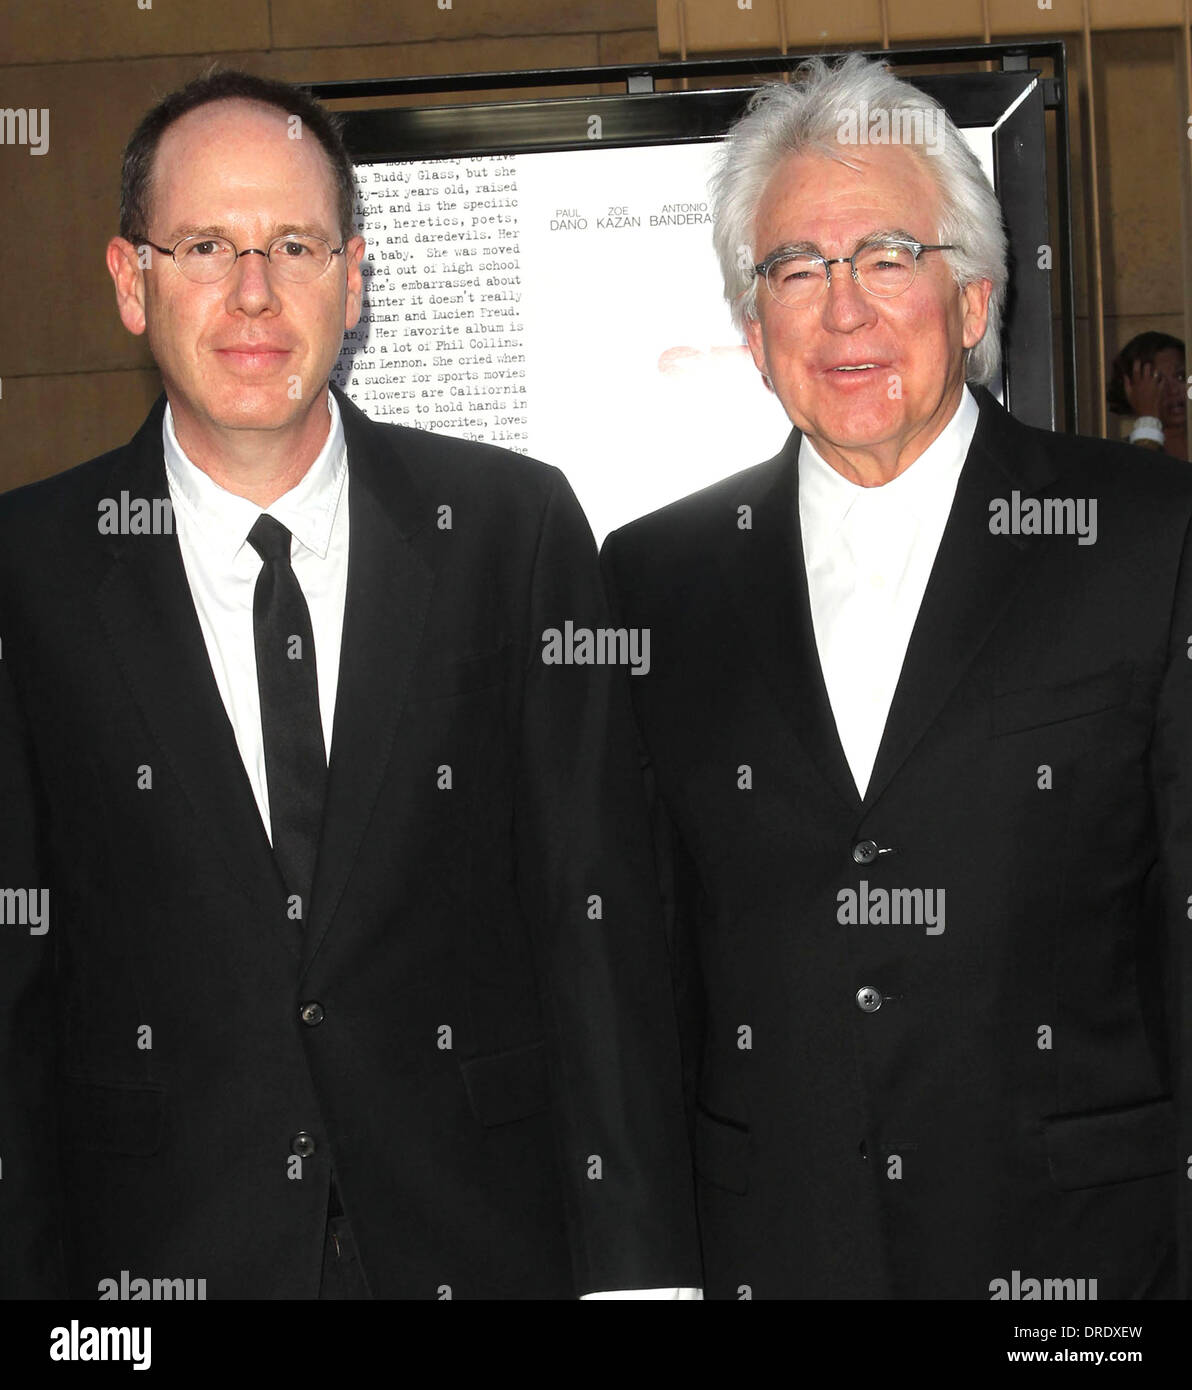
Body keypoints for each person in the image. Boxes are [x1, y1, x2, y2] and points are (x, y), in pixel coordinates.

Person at [0, 68, 699, 1300]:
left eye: (296, 244)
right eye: (205, 244)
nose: (254, 291)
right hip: (155, 1267)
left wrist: (637, 1276)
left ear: (356, 277)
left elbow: (600, 928)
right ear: (130, 281)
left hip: (484, 1246)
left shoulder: (511, 531)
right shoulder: (30, 572)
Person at [601, 53, 1192, 1299]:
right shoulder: (654, 579)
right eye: (796, 271)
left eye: (885, 257)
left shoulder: (1147, 534)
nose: (844, 312)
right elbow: (632, 964)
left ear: (973, 298)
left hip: (1083, 1260)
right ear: (752, 331)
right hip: (772, 1247)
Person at [1107, 331, 1187, 459]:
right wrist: (1148, 419)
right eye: (1157, 381)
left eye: (1180, 376)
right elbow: (1144, 474)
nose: (1173, 390)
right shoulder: (1119, 455)